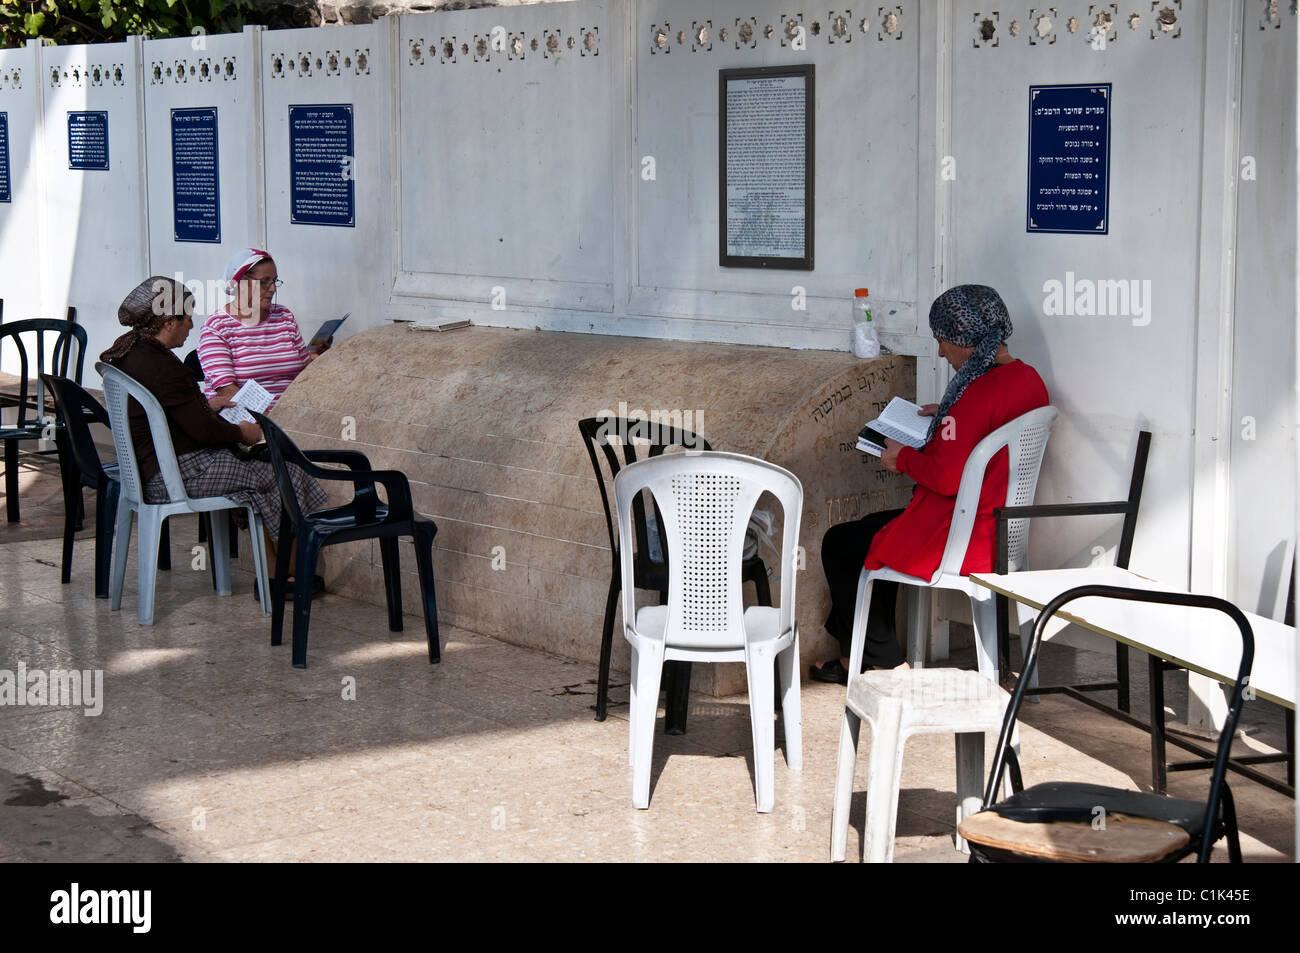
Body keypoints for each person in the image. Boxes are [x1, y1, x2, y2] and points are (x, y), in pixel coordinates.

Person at [811, 284, 1050, 683]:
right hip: (1000, 527)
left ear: (963, 340)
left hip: (962, 534)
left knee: (842, 542)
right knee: (870, 530)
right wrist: (948, 417)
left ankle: (883, 661)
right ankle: (862, 655)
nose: (940, 353)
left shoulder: (975, 394)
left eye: (942, 341)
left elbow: (945, 477)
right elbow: (987, 426)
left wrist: (900, 457)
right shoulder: (1027, 378)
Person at [100, 276, 327, 557]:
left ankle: (277, 570)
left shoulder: (131, 352)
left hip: (150, 470)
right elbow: (203, 432)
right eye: (187, 319)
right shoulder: (164, 367)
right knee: (286, 474)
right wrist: (243, 433)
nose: (191, 327)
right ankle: (288, 573)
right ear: (169, 321)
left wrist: (209, 407)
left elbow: (172, 413)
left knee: (262, 477)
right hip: (180, 474)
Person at [196, 247, 329, 411]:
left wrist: (321, 359)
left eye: (274, 281)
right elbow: (227, 390)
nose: (272, 288)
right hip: (246, 425)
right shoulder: (217, 327)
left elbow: (304, 367)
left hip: (291, 418)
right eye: (265, 282)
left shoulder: (284, 316)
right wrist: (271, 424)